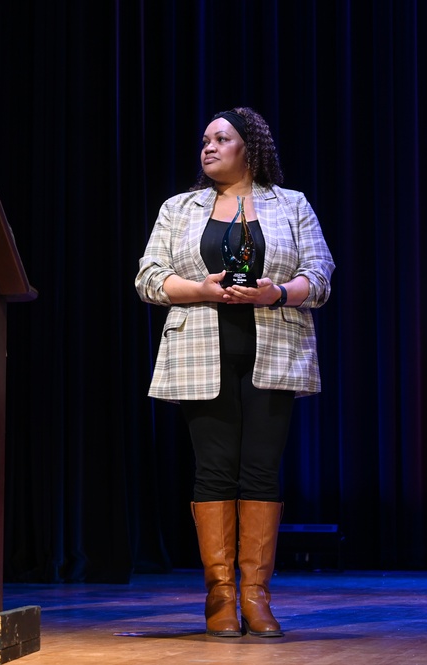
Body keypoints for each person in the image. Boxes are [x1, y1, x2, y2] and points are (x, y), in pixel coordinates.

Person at [136, 107, 334, 638]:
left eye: (221, 138)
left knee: (262, 471)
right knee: (215, 469)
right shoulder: (180, 207)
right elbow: (149, 279)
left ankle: (257, 596)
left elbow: (320, 277)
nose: (209, 147)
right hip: (202, 353)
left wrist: (275, 292)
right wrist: (202, 289)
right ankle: (221, 598)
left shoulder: (290, 205)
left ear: (250, 147)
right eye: (205, 140)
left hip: (272, 352)